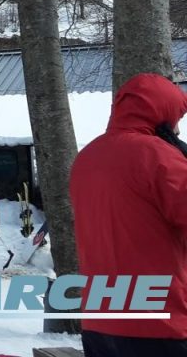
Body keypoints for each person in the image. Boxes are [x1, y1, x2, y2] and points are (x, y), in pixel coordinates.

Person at [72, 73, 187, 357]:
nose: (178, 129)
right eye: (176, 119)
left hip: (100, 322)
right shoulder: (159, 156)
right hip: (161, 322)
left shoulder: (86, 158)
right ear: (163, 115)